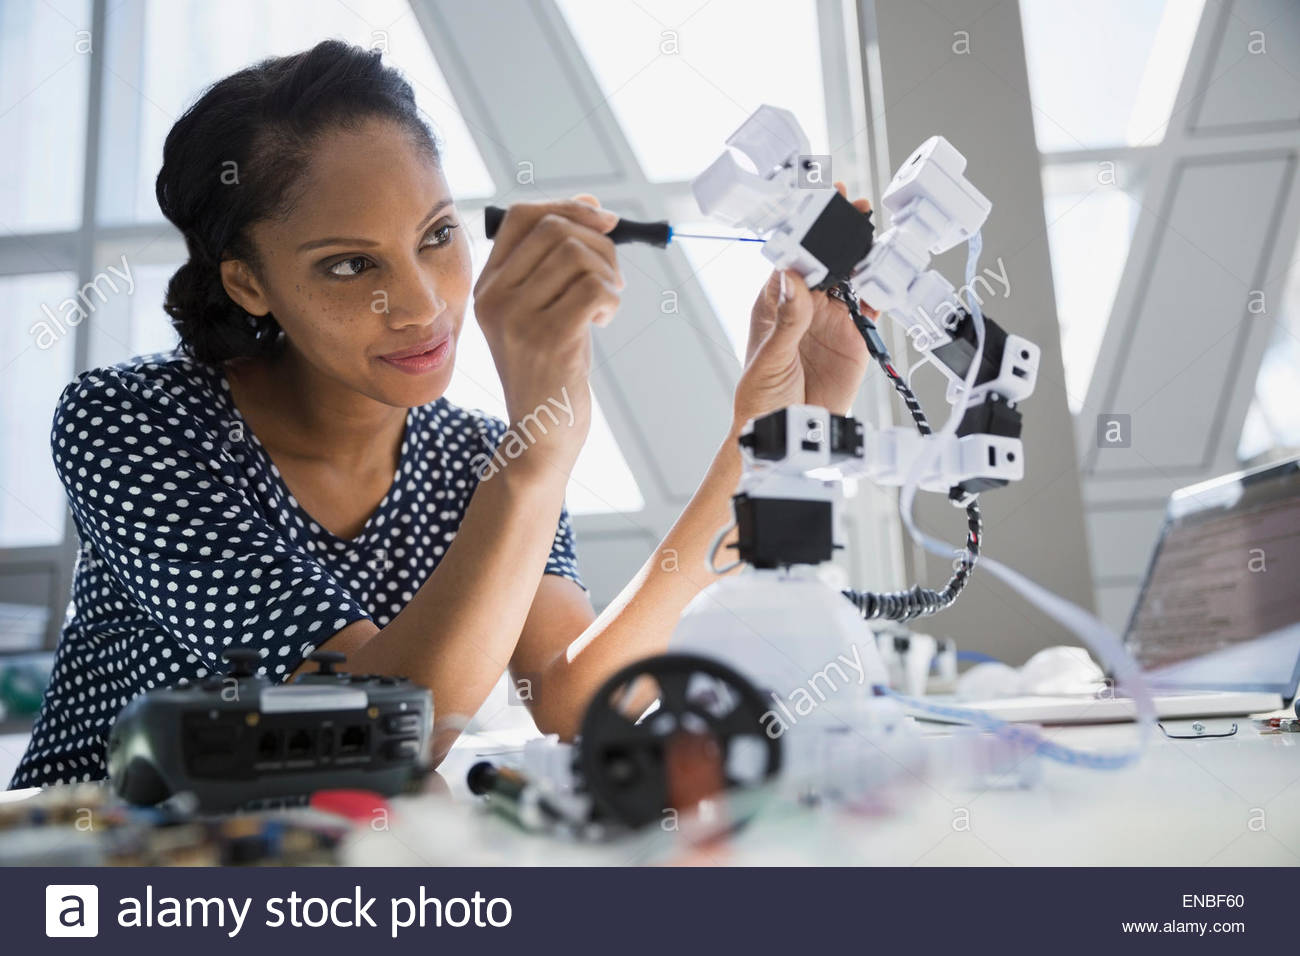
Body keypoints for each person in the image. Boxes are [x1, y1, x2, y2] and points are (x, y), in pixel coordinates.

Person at [9, 40, 874, 788]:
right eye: (351, 266)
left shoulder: (471, 458)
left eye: (434, 237)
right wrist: (542, 451)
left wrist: (761, 446)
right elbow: (373, 732)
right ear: (248, 282)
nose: (421, 307)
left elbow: (577, 696)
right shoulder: (133, 422)